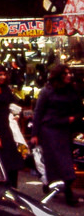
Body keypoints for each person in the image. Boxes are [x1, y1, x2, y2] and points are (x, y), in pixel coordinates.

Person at [32, 64, 82, 206]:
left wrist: (74, 118)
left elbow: (79, 109)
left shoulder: (71, 91)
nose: (69, 76)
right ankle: (67, 192)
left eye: (69, 73)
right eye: (65, 73)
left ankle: (52, 184)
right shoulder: (47, 91)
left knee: (65, 161)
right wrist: (35, 133)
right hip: (49, 130)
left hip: (65, 129)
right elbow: (38, 112)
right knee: (59, 162)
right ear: (58, 75)